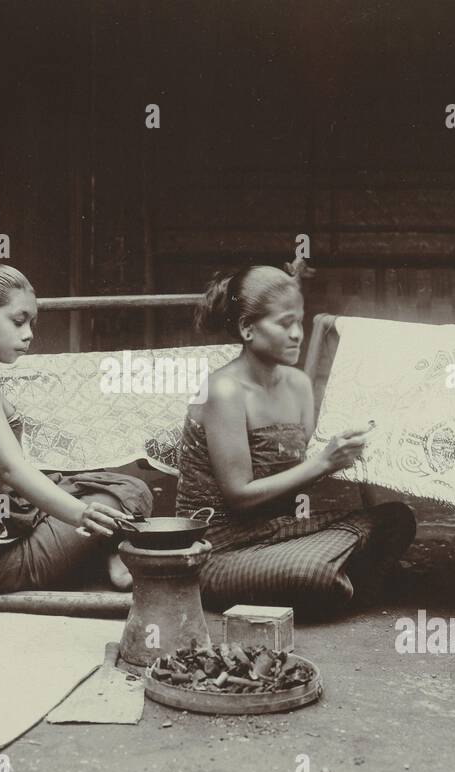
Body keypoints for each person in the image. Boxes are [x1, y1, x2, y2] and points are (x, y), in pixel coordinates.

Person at [175, 261, 416, 615]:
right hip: (219, 548)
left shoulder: (299, 385)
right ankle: (345, 578)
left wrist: (354, 445)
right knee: (312, 572)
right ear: (247, 328)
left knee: (398, 518)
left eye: (299, 322)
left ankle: (339, 581)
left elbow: (305, 475)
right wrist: (323, 462)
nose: (297, 335)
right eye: (284, 323)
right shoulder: (223, 391)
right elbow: (239, 496)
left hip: (281, 531)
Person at [0, 264, 153, 592]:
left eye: (32, 323)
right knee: (129, 494)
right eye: (18, 321)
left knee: (107, 484)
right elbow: (11, 471)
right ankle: (111, 552)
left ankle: (106, 551)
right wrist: (81, 515)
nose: (29, 333)